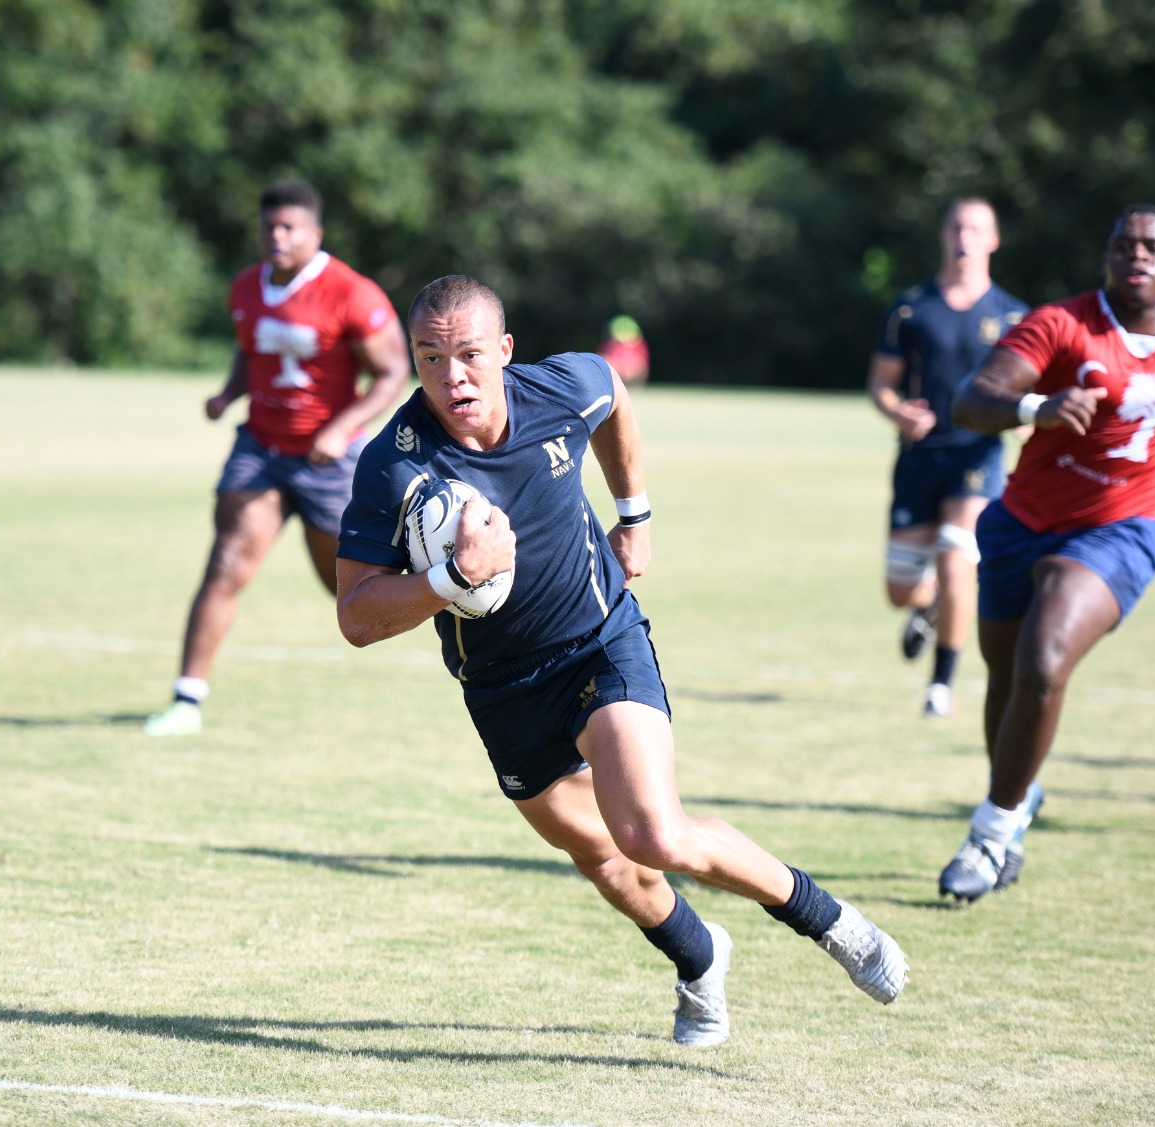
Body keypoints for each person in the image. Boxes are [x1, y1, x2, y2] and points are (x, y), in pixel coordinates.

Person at [336, 275, 906, 1044]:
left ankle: (831, 921)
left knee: (651, 834)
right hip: (501, 688)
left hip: (600, 639)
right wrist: (451, 579)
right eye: (429, 357)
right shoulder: (392, 465)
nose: (451, 377)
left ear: (504, 351)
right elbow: (356, 617)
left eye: (468, 354)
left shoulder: (561, 386)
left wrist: (632, 512)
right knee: (603, 859)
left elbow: (613, 395)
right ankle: (700, 956)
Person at [937, 205, 1155, 902]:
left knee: (1042, 657)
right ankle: (1017, 799)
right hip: (1019, 522)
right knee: (1007, 683)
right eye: (1122, 245)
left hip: (1120, 529)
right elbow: (971, 400)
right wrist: (1038, 406)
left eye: (1152, 247)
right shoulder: (1061, 324)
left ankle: (989, 832)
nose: (1136, 255)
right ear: (1104, 259)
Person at [144, 181, 409, 736]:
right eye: (269, 227)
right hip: (260, 448)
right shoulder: (245, 287)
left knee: (345, 586)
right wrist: (228, 392)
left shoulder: (351, 293)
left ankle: (439, 623)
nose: (278, 237)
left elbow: (393, 372)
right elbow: (250, 350)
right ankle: (186, 700)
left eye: (290, 228)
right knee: (228, 558)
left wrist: (341, 429)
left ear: (315, 233)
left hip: (327, 460)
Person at [866, 197, 1029, 717]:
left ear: (994, 240)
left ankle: (941, 685)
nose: (966, 237)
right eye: (958, 226)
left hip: (977, 457)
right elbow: (881, 384)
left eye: (977, 228)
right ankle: (930, 605)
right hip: (918, 460)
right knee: (900, 591)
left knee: (959, 566)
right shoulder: (912, 308)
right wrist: (899, 414)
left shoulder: (1013, 315)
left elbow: (1028, 390)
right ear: (943, 234)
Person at [596, 315, 650, 384]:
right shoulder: (610, 344)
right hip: (616, 371)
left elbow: (642, 363)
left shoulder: (638, 345)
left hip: (631, 372)